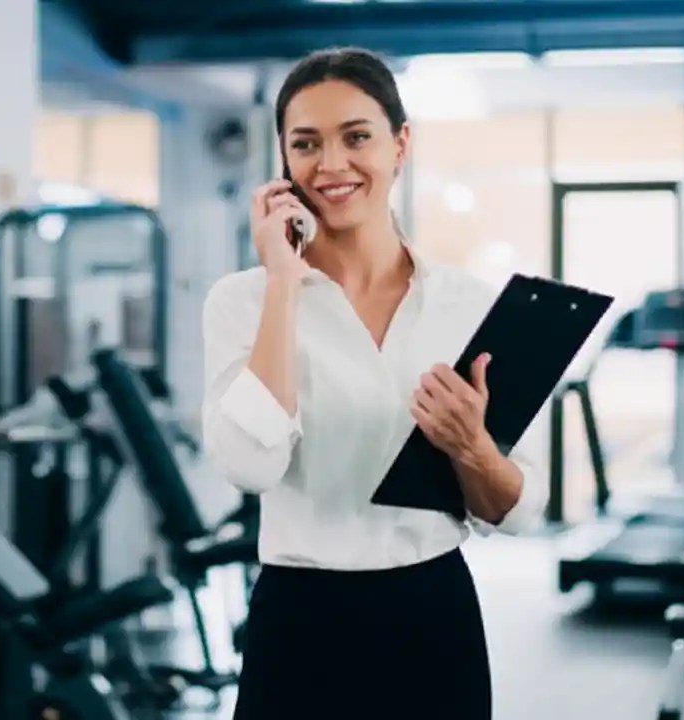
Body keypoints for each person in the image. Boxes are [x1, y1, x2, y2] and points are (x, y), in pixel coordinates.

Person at [201, 47, 548, 719]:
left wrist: (473, 449)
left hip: (432, 612)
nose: (331, 164)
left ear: (400, 144)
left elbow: (519, 507)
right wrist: (283, 282)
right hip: (300, 617)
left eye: (356, 136)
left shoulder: (468, 305)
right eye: (306, 144)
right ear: (283, 161)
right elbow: (249, 463)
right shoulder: (242, 302)